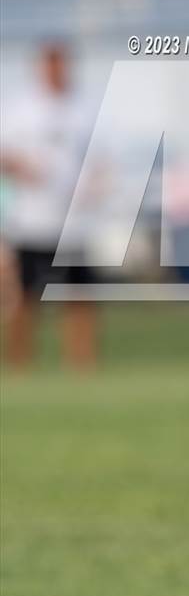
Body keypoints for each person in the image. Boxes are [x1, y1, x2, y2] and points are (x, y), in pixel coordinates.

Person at [0, 41, 100, 369]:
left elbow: (99, 157)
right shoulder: (21, 109)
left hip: (72, 223)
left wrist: (94, 184)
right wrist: (26, 169)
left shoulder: (83, 108)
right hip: (32, 221)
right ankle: (19, 362)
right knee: (26, 295)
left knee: (79, 295)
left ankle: (81, 362)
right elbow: (5, 156)